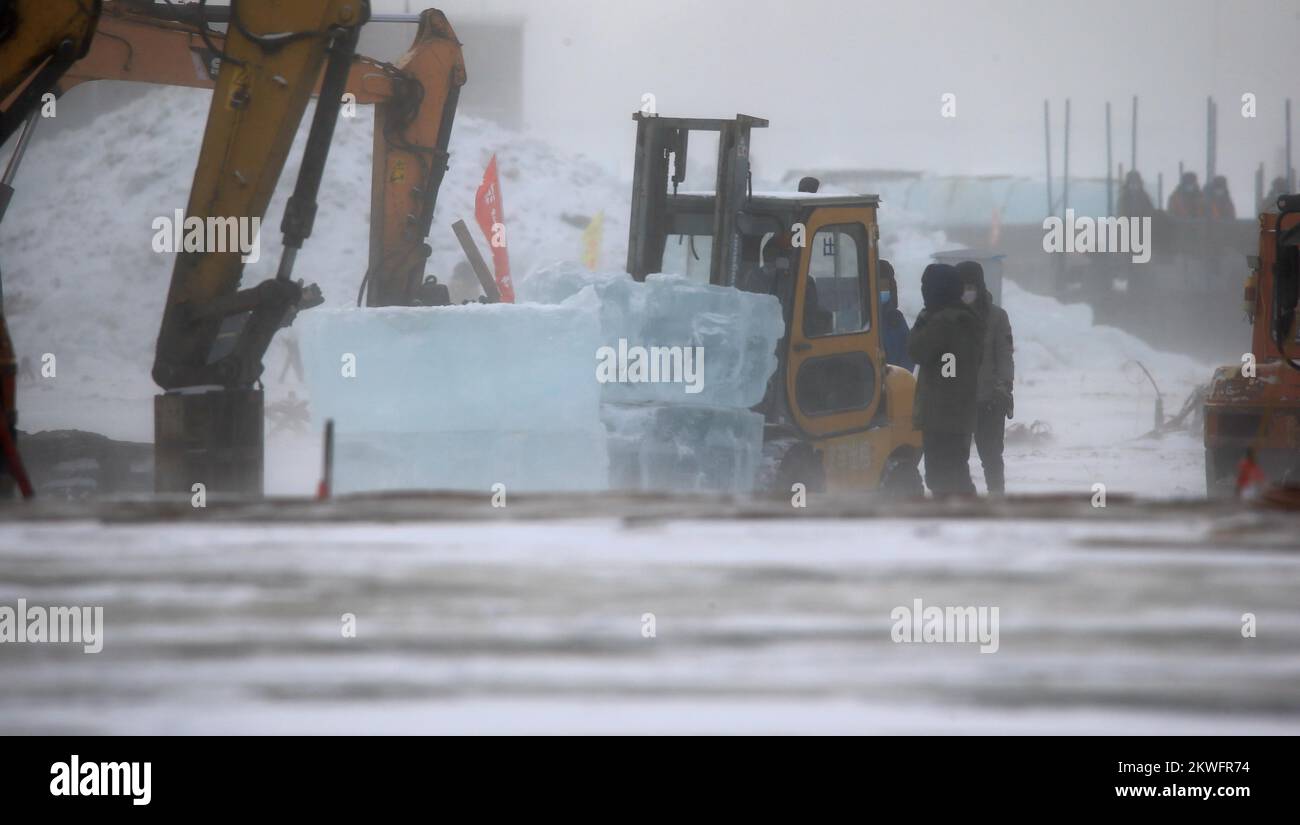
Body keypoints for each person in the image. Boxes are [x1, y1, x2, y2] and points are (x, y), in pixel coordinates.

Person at [906, 263, 983, 496]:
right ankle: (965, 520)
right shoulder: (966, 319)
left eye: (926, 287)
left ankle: (965, 521)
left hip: (941, 414)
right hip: (958, 412)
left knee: (943, 477)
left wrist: (922, 320)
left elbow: (916, 350)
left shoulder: (942, 322)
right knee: (954, 473)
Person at [956, 260, 1014, 494]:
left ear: (979, 286)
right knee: (956, 458)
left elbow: (1005, 355)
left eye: (971, 286)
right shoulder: (950, 316)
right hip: (958, 401)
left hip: (989, 399)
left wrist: (1003, 388)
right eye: (962, 287)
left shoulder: (997, 317)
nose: (967, 292)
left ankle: (997, 499)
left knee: (991, 457)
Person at [878, 259, 914, 371]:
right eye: (878, 287)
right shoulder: (854, 318)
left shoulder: (896, 319)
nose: (881, 291)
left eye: (885, 287)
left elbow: (907, 355)